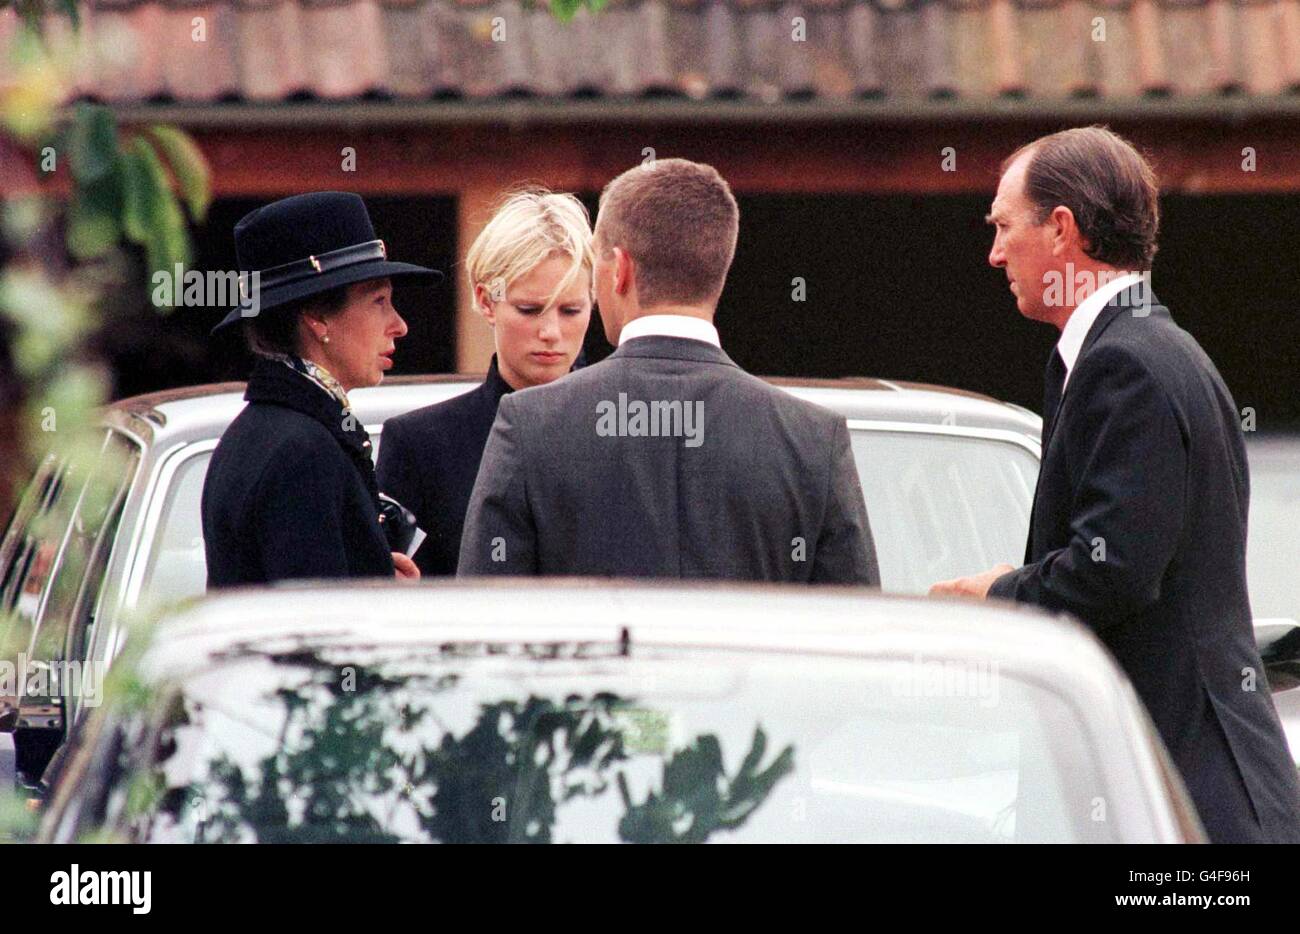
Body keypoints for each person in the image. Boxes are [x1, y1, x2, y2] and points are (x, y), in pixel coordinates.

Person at [930, 127, 1300, 843]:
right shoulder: (1138, 352)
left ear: (1062, 228)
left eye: (1004, 226)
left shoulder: (1126, 364)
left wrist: (997, 596)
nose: (995, 252)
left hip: (1189, 803)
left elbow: (1118, 571)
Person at [457, 158, 878, 583]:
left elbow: (486, 622)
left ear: (619, 270)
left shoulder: (528, 425)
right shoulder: (813, 440)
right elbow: (856, 630)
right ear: (718, 270)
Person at [202, 191, 440, 588]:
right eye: (379, 301)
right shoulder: (302, 451)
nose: (399, 325)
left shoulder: (265, 432)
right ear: (317, 318)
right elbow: (313, 634)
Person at [376, 189, 594, 576]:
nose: (550, 331)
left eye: (571, 310)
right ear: (486, 300)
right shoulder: (420, 445)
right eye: (529, 309)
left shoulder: (626, 429)